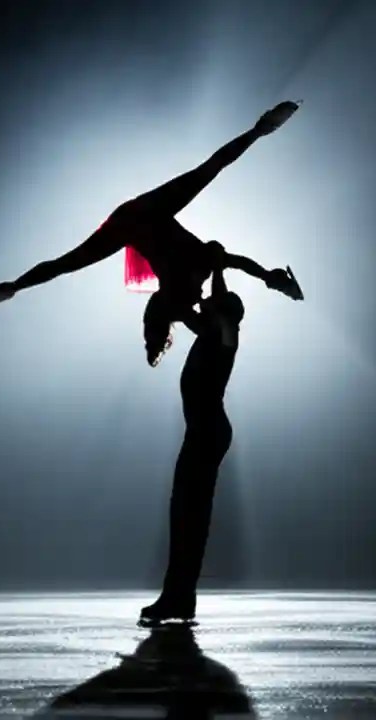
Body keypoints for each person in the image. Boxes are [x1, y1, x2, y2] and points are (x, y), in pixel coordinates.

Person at [0, 102, 304, 365]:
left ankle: (260, 129)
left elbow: (200, 315)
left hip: (132, 223)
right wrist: (273, 280)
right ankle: (260, 129)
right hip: (147, 215)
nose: (201, 298)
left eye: (199, 301)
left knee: (208, 170)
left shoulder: (187, 286)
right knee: (209, 170)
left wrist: (15, 286)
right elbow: (243, 267)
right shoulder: (204, 266)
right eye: (204, 300)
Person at [140, 247, 246, 625]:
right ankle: (179, 598)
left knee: (188, 514)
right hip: (203, 432)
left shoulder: (223, 339)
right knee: (186, 514)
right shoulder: (208, 333)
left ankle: (177, 598)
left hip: (208, 432)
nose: (201, 306)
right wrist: (216, 268)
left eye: (211, 307)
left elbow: (217, 314)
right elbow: (203, 306)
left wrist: (199, 292)